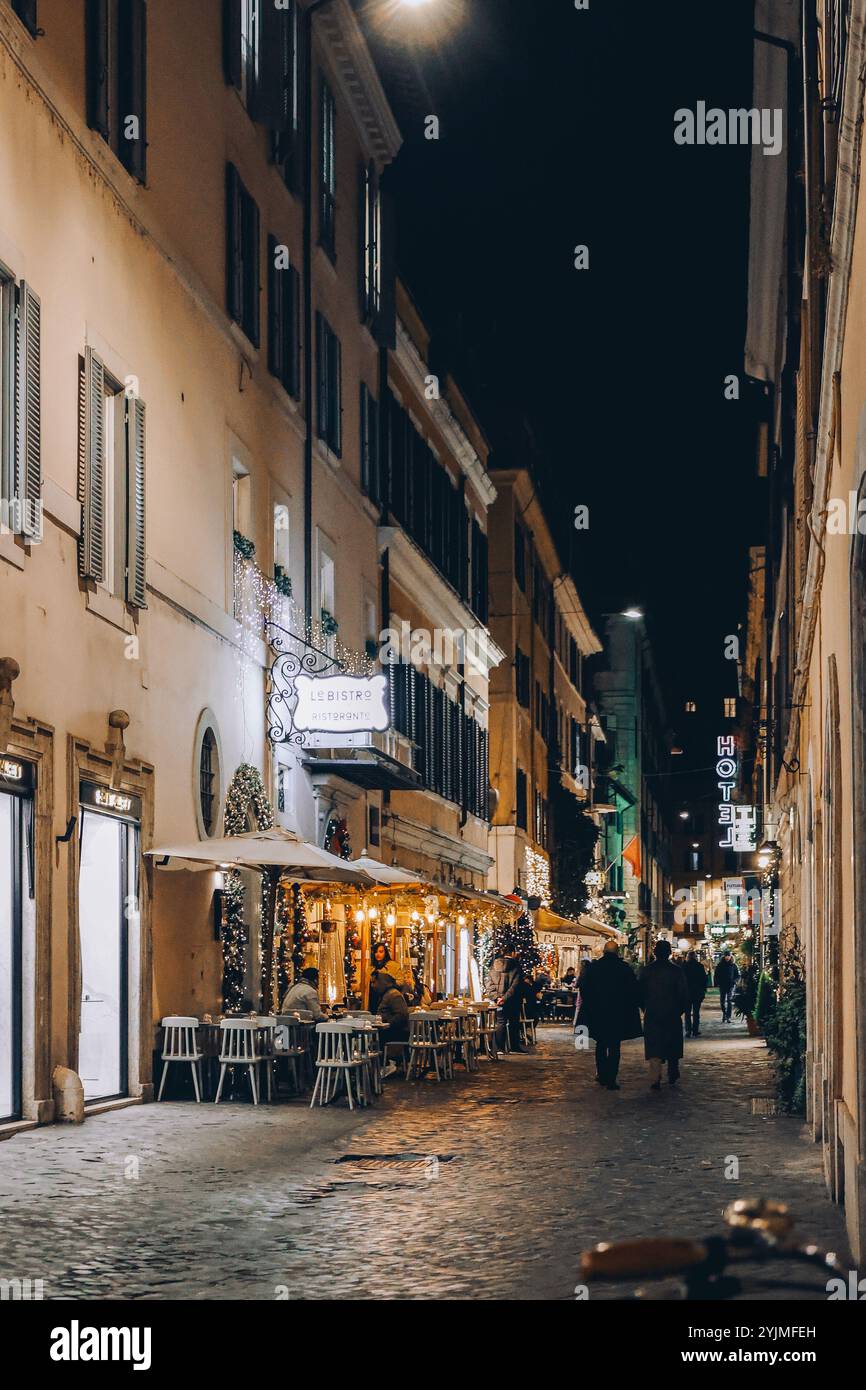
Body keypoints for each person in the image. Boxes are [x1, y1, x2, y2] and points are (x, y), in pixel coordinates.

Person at [575, 940, 642, 1090]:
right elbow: (634, 991)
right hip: (618, 1014)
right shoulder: (624, 969)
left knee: (601, 1044)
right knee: (614, 1047)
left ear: (604, 951)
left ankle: (602, 1075)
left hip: (598, 1013)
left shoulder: (594, 968)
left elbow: (584, 989)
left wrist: (592, 1005)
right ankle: (611, 1078)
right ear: (617, 952)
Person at [639, 939, 689, 1089]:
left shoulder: (647, 970)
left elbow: (640, 992)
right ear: (668, 953)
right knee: (672, 1043)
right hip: (672, 1013)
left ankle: (655, 1077)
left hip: (653, 1013)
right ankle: (672, 1071)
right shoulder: (676, 971)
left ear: (655, 953)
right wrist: (680, 1009)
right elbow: (683, 994)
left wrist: (644, 1007)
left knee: (654, 1045)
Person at [487, 950, 525, 1051]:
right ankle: (514, 1047)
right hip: (513, 1001)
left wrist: (497, 998)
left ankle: (499, 1048)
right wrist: (505, 998)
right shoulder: (516, 966)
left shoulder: (493, 966)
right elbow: (515, 986)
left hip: (499, 1002)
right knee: (514, 1023)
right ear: (513, 953)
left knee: (500, 1022)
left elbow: (489, 985)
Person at [375, 971, 409, 1076]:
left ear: (383, 983)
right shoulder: (387, 995)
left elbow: (402, 1015)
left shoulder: (394, 995)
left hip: (397, 1032)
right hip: (392, 1030)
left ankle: (387, 1064)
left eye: (375, 982)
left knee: (376, 1037)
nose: (373, 985)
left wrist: (387, 1024)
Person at [369, 942, 413, 1010]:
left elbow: (400, 981)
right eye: (376, 952)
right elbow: (365, 984)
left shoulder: (393, 966)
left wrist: (389, 983)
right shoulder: (371, 968)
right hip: (373, 999)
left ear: (385, 953)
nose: (378, 954)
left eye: (381, 952)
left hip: (389, 999)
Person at [683, 951, 709, 1037]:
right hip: (697, 992)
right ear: (695, 957)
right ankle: (695, 1030)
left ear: (688, 957)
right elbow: (704, 979)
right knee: (696, 1012)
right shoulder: (699, 966)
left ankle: (688, 1030)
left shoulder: (684, 966)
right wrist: (704, 989)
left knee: (687, 1012)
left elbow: (681, 980)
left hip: (687, 993)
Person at [714, 949, 740, 1023]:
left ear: (730, 956)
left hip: (730, 985)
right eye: (726, 956)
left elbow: (737, 975)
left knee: (729, 1000)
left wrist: (734, 981)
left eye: (728, 956)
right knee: (722, 1001)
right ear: (724, 956)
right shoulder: (720, 965)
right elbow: (716, 975)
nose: (727, 957)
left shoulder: (733, 965)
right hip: (722, 985)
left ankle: (728, 1016)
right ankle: (724, 1014)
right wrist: (718, 982)